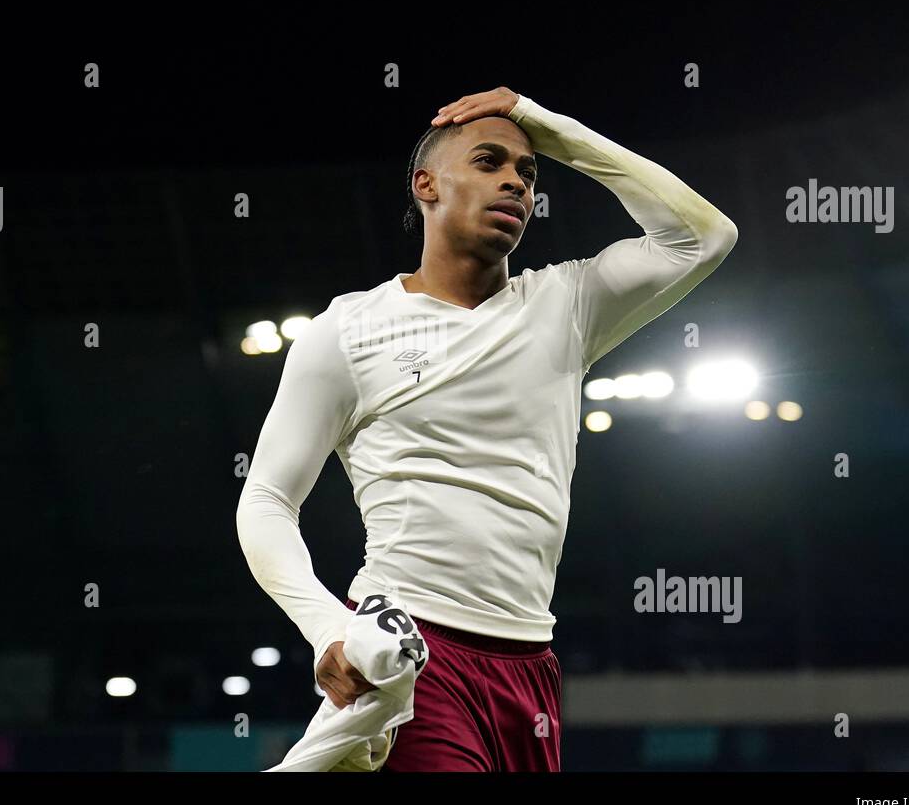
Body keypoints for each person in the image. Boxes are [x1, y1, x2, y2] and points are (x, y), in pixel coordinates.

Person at [236, 86, 738, 770]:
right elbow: (266, 501)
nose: (515, 182)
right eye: (488, 161)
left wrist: (547, 125)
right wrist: (329, 629)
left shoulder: (567, 305)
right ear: (427, 185)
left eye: (528, 173)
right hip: (412, 651)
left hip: (529, 669)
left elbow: (704, 236)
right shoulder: (347, 331)